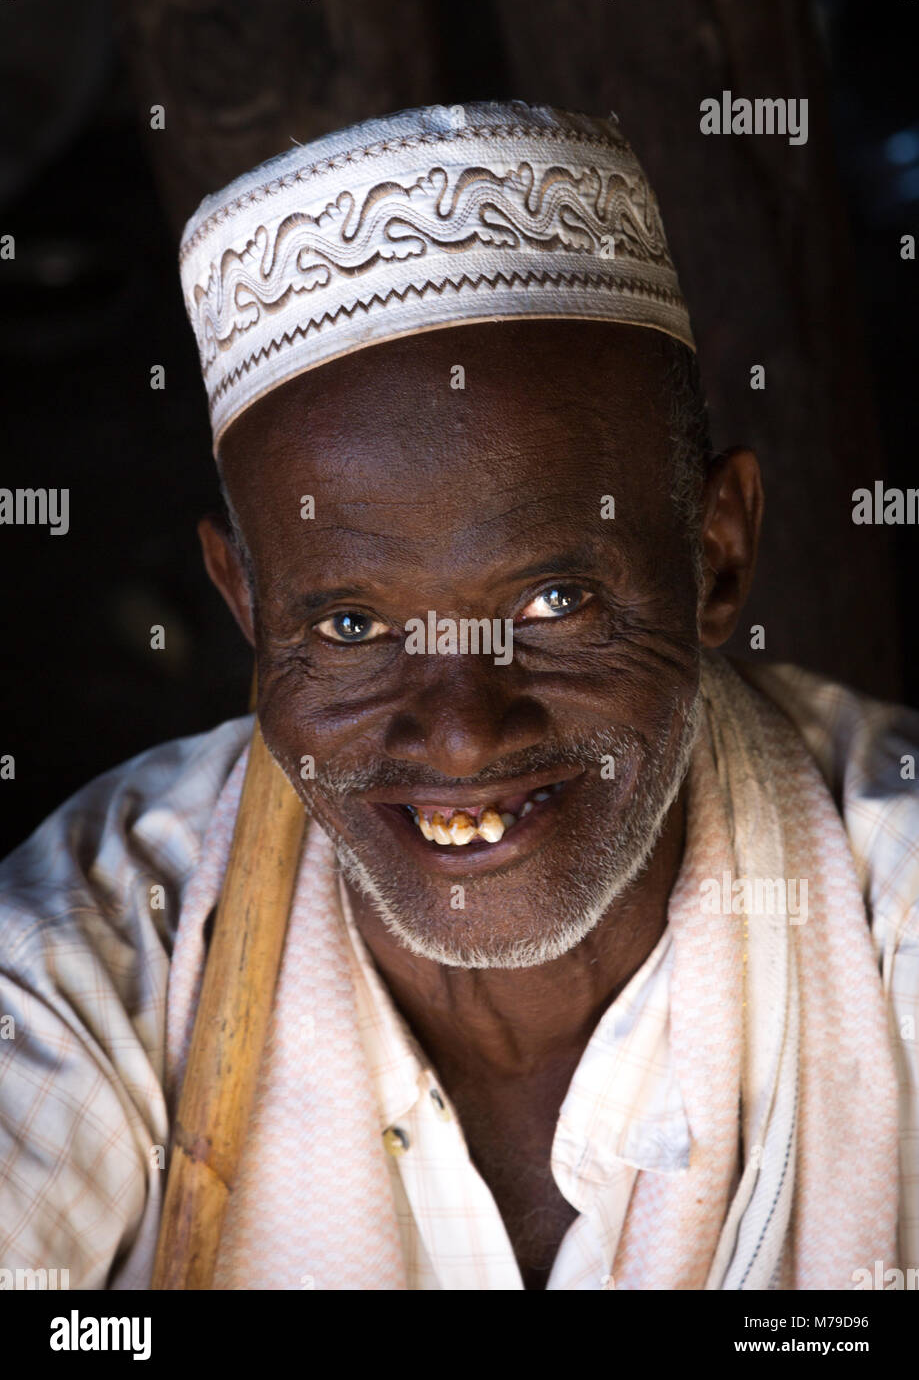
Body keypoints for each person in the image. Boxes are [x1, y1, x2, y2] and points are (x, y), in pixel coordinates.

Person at [1, 101, 916, 1291]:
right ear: (244, 607)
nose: (461, 729)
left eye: (550, 602)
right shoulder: (98, 956)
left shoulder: (887, 902)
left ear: (715, 556)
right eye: (348, 626)